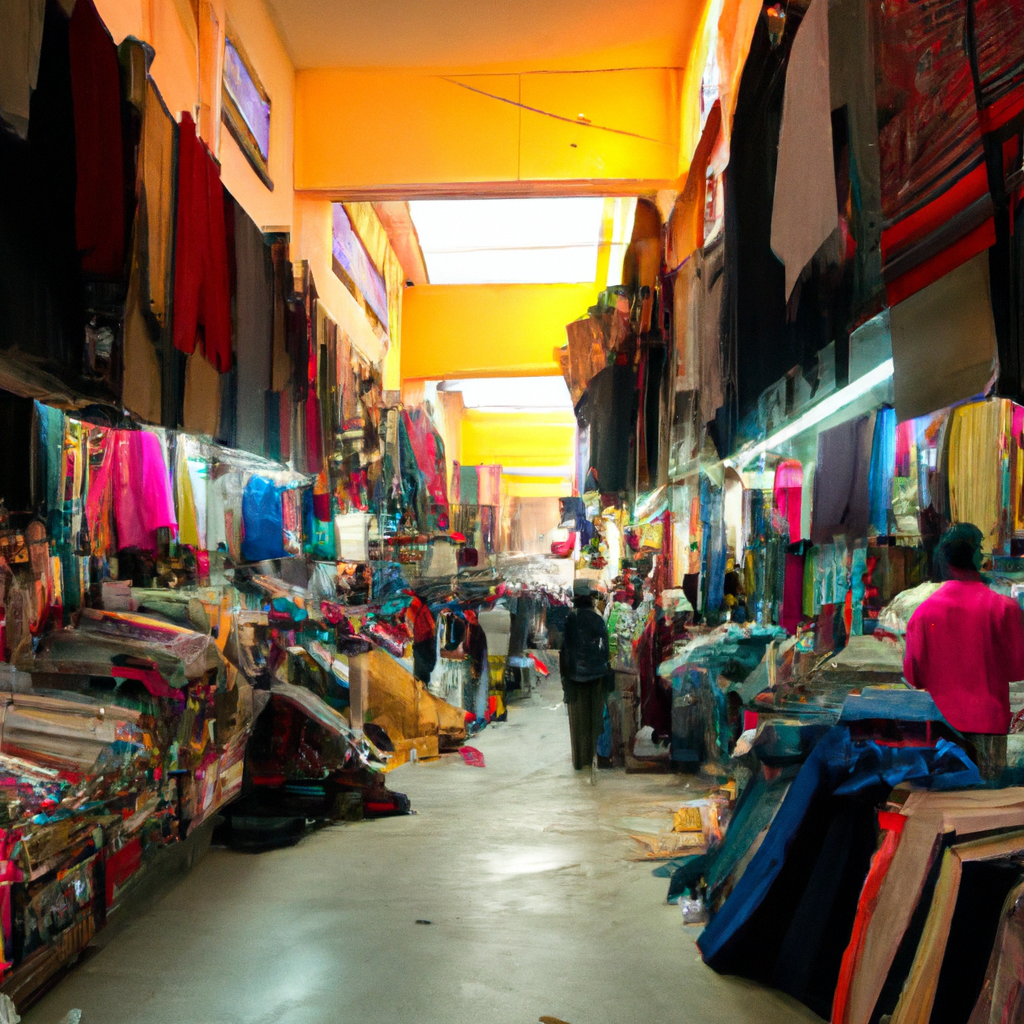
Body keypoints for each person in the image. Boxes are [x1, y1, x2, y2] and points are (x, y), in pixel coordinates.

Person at [904, 523, 1024, 779]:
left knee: (943, 793)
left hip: (940, 726)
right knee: (987, 796)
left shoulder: (922, 614)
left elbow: (914, 677)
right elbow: (1017, 669)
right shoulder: (1005, 609)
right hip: (989, 724)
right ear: (975, 556)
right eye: (980, 548)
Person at [559, 584, 612, 772]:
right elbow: (605, 648)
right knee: (594, 718)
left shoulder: (570, 619)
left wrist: (564, 676)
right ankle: (591, 757)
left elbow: (564, 650)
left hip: (575, 676)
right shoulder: (598, 619)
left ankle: (579, 761)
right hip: (597, 674)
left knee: (578, 721)